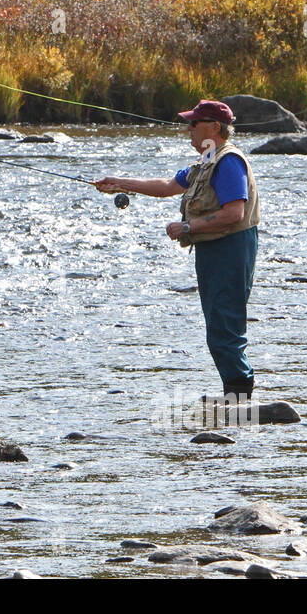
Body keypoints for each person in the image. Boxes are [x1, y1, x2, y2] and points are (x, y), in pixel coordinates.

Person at [94, 100, 261, 399]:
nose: (188, 130)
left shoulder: (228, 162)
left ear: (214, 127)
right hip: (213, 250)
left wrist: (187, 227)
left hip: (231, 250)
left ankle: (239, 399)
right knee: (218, 326)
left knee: (225, 326)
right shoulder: (206, 162)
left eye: (194, 124)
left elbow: (234, 213)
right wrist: (118, 182)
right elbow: (166, 185)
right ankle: (234, 396)